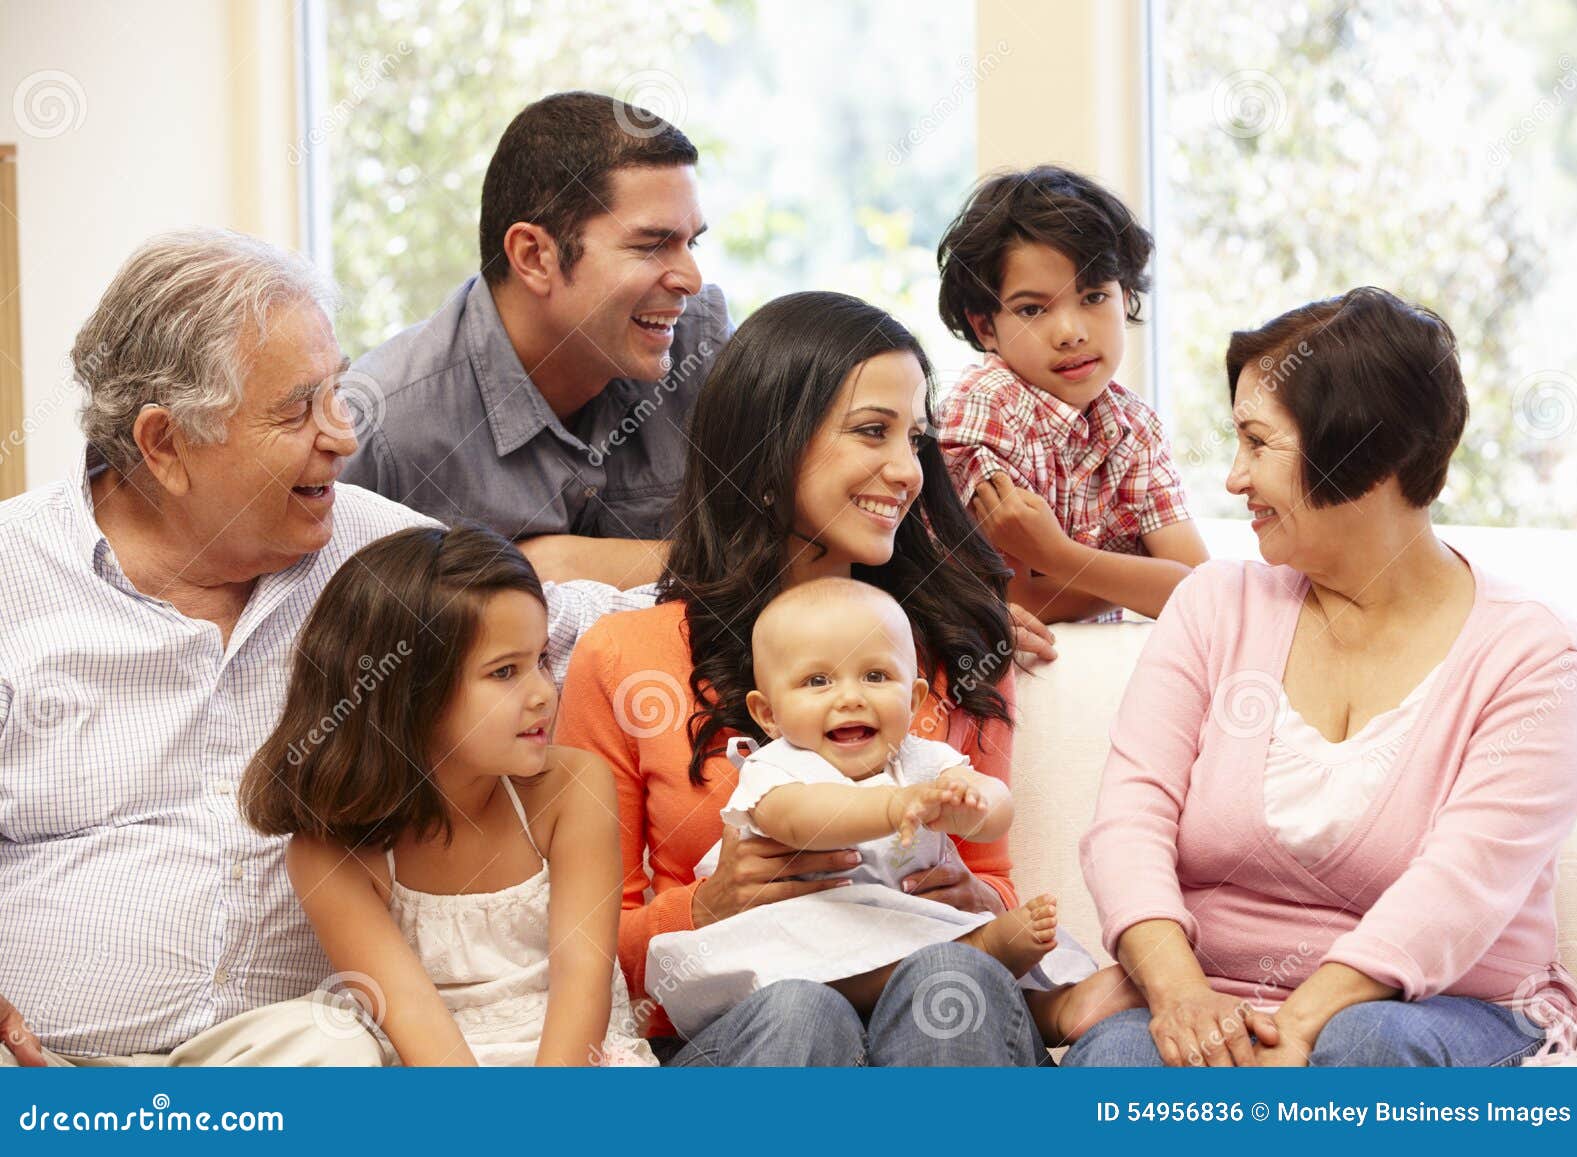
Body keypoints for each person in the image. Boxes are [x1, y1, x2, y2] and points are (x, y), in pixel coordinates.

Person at [0, 230, 650, 1067]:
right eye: (297, 409)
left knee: (332, 1049)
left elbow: (590, 626)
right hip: (37, 1060)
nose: (343, 436)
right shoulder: (14, 572)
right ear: (164, 445)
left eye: (338, 394)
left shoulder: (374, 551)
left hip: (290, 1051)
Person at [1067, 288, 1577, 1067]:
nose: (1235, 478)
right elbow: (1128, 821)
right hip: (1214, 990)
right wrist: (1182, 995)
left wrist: (1301, 1024)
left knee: (1364, 1047)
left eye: (1257, 443)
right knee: (1119, 1063)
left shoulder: (1536, 661)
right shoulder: (1214, 606)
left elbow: (1461, 885)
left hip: (1442, 1007)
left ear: (1366, 455)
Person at [557, 291, 1072, 1067]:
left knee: (951, 976)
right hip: (750, 1032)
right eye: (872, 431)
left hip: (940, 1019)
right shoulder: (623, 657)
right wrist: (703, 903)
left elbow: (994, 875)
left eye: (915, 438)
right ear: (771, 444)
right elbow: (580, 943)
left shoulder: (955, 644)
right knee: (803, 1008)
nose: (905, 469)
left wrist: (977, 904)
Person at [646, 576, 1135, 1043]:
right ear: (768, 714)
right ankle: (985, 954)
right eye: (818, 681)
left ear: (915, 697)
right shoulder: (776, 768)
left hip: (905, 924)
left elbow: (994, 811)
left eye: (876, 676)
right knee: (815, 981)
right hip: (801, 934)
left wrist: (972, 805)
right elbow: (801, 818)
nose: (851, 697)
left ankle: (1052, 1011)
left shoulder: (922, 762)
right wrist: (896, 805)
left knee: (944, 966)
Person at [241, 525, 653, 1066]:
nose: (542, 694)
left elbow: (584, 981)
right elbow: (416, 1026)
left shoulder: (572, 789)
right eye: (504, 672)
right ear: (410, 694)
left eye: (542, 661)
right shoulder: (327, 855)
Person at [342, 91, 733, 590]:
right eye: (651, 246)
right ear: (533, 256)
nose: (690, 280)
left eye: (691, 243)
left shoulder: (699, 344)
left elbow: (804, 549)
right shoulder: (383, 428)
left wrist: (565, 565)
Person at [935, 166, 1207, 621]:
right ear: (985, 327)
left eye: (1094, 297)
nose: (1070, 332)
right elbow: (1013, 601)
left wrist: (1059, 557)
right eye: (1032, 309)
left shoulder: (1132, 425)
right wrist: (1141, 576)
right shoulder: (983, 408)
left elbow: (1200, 592)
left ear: (1126, 296)